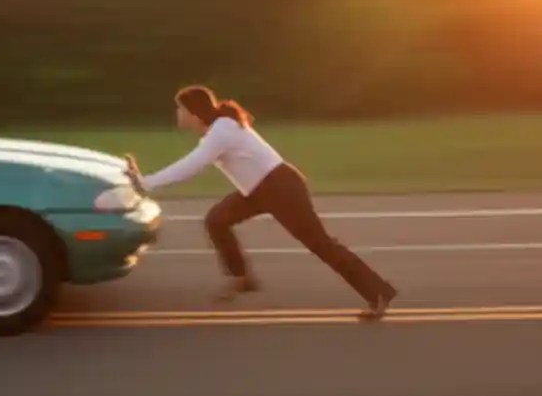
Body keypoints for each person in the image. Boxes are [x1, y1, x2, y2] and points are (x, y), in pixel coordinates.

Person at [125, 85, 398, 321]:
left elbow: (191, 166)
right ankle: (242, 278)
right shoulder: (217, 129)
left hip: (281, 188)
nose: (178, 114)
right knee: (216, 220)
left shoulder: (222, 130)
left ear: (192, 111)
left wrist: (147, 182)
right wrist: (145, 180)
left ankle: (378, 293)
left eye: (180, 109)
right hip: (257, 191)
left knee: (321, 245)